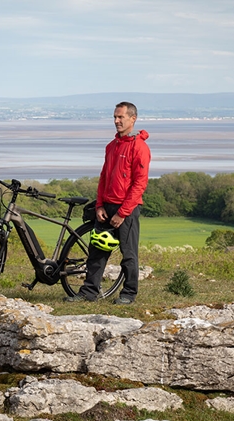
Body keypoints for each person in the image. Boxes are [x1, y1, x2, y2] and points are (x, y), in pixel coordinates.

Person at [69, 101, 151, 304]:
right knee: (96, 251)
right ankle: (89, 292)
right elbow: (104, 178)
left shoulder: (140, 147)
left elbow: (140, 184)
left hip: (127, 209)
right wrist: (99, 205)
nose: (116, 121)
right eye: (115, 117)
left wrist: (122, 213)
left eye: (121, 117)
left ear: (133, 119)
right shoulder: (111, 146)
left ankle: (129, 294)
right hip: (106, 207)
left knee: (128, 254)